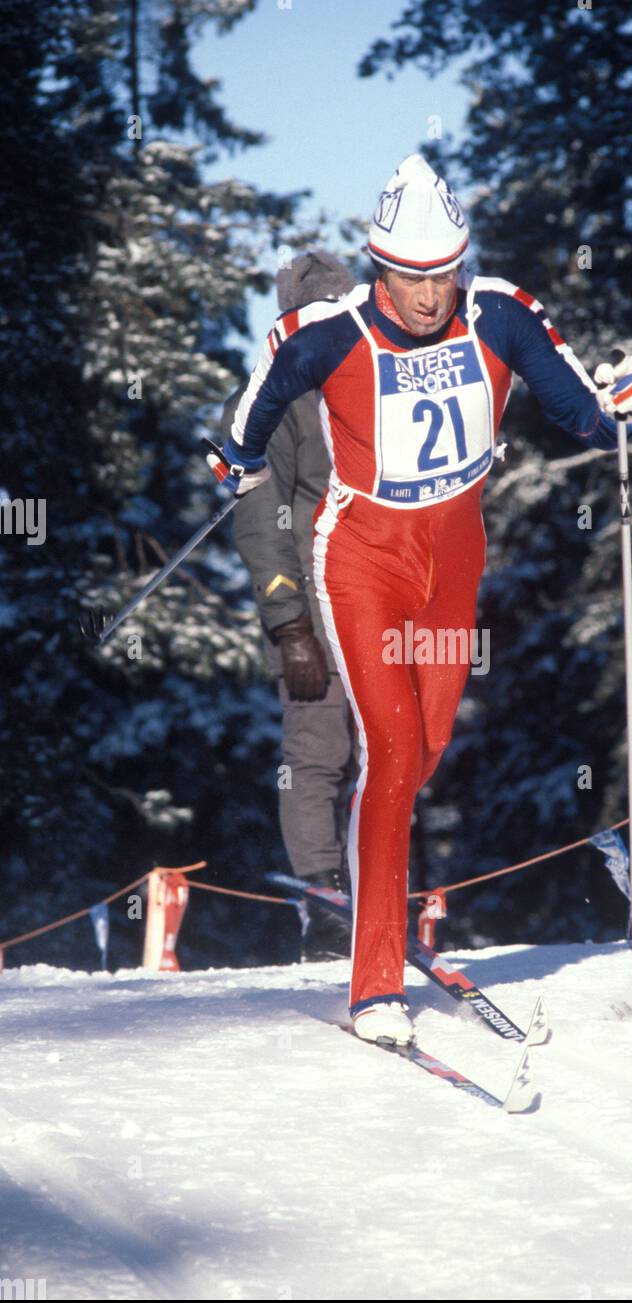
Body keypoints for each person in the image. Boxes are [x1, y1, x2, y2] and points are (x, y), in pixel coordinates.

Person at [215, 153, 632, 1044]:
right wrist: (242, 464)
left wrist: (623, 404)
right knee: (389, 747)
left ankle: (363, 868)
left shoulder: (497, 314)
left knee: (426, 749)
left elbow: (582, 411)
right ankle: (373, 978)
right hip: (362, 559)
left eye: (443, 272)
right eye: (411, 276)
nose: (429, 294)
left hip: (453, 558)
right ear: (380, 267)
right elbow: (250, 415)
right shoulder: (331, 334)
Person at [222, 252, 357, 959]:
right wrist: (290, 624)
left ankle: (384, 888)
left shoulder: (373, 376)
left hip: (386, 599)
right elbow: (257, 515)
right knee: (317, 755)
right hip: (313, 602)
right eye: (316, 312)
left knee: (396, 749)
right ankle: (326, 907)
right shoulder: (269, 397)